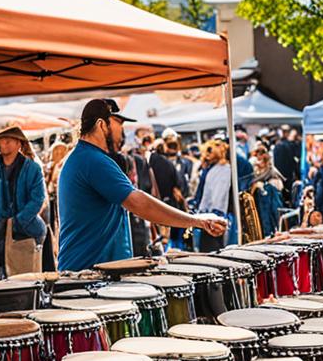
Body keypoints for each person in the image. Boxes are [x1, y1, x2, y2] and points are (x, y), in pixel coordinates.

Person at [57, 99, 226, 270]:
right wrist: (197, 221)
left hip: (89, 271)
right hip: (86, 273)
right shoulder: (92, 160)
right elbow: (140, 203)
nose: (122, 133)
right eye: (119, 124)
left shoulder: (85, 157)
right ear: (101, 125)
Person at [0, 126, 46, 281]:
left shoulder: (32, 168)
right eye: (2, 140)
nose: (4, 144)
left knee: (24, 279)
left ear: (19, 143)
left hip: (26, 231)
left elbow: (37, 199)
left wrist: (16, 222)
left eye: (8, 141)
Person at [149, 131, 186, 250]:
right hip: (169, 204)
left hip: (157, 205)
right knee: (172, 240)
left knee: (166, 239)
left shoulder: (151, 161)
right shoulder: (168, 163)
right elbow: (178, 186)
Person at [194, 140, 233, 251]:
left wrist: (215, 215)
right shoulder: (213, 168)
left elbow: (219, 196)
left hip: (213, 216)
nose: (206, 156)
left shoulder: (223, 169)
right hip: (209, 215)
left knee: (212, 248)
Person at [272, 126, 302, 204]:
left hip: (280, 175)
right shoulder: (291, 146)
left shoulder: (277, 146)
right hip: (288, 176)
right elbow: (294, 162)